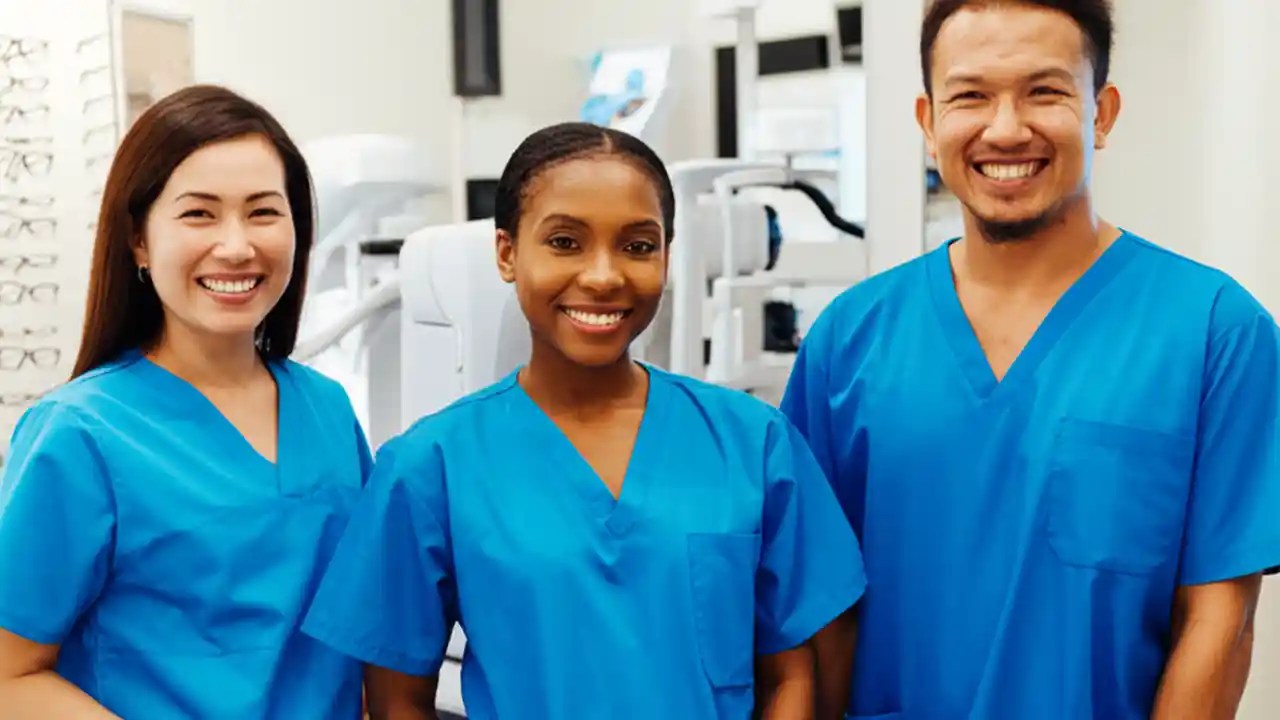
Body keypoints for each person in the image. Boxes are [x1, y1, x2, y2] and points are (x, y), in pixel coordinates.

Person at [782, 1, 1280, 718]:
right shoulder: (850, 339)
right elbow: (814, 622)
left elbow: (1219, 623)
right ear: (928, 121)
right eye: (970, 96)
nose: (1006, 128)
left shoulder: (1212, 331)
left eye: (1044, 92)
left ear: (1101, 113)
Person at [301, 122, 866, 719]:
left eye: (638, 245)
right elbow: (395, 700)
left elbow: (792, 674)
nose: (603, 276)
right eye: (566, 242)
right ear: (507, 253)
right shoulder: (432, 466)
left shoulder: (752, 443)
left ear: (667, 256)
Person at [0, 85, 371, 719]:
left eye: (263, 212)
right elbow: (10, 675)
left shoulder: (328, 411)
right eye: (199, 214)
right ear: (139, 241)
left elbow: (356, 636)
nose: (236, 246)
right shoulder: (82, 433)